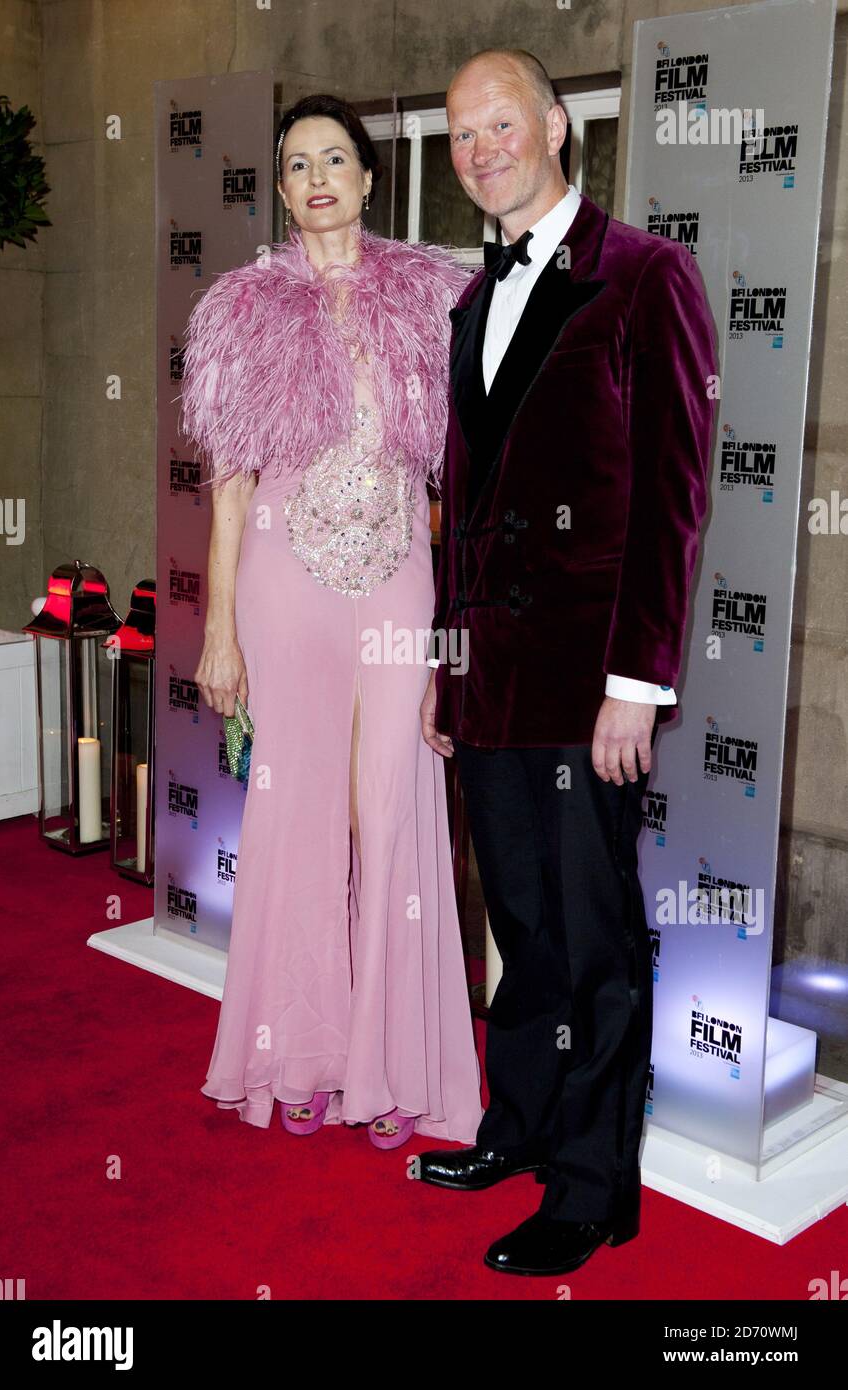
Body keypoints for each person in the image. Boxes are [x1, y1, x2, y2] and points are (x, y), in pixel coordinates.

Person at [417, 49, 718, 1273]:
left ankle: (592, 1188)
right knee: (526, 929)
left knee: (594, 942)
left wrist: (635, 684)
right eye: (459, 134)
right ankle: (520, 1126)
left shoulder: (646, 275)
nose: (480, 149)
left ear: (553, 126)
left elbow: (671, 498)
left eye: (501, 123)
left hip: (589, 680)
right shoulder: (465, 302)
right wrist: (444, 666)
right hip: (486, 679)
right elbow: (462, 506)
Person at [179, 94, 482, 1152]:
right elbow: (224, 487)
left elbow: (465, 479)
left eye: (335, 159)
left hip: (397, 579)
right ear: (284, 186)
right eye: (296, 163)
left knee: (389, 811)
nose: (316, 179)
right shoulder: (241, 308)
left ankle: (387, 1060)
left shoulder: (436, 299)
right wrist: (218, 630)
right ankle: (298, 1050)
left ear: (366, 177)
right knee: (296, 812)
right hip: (282, 580)